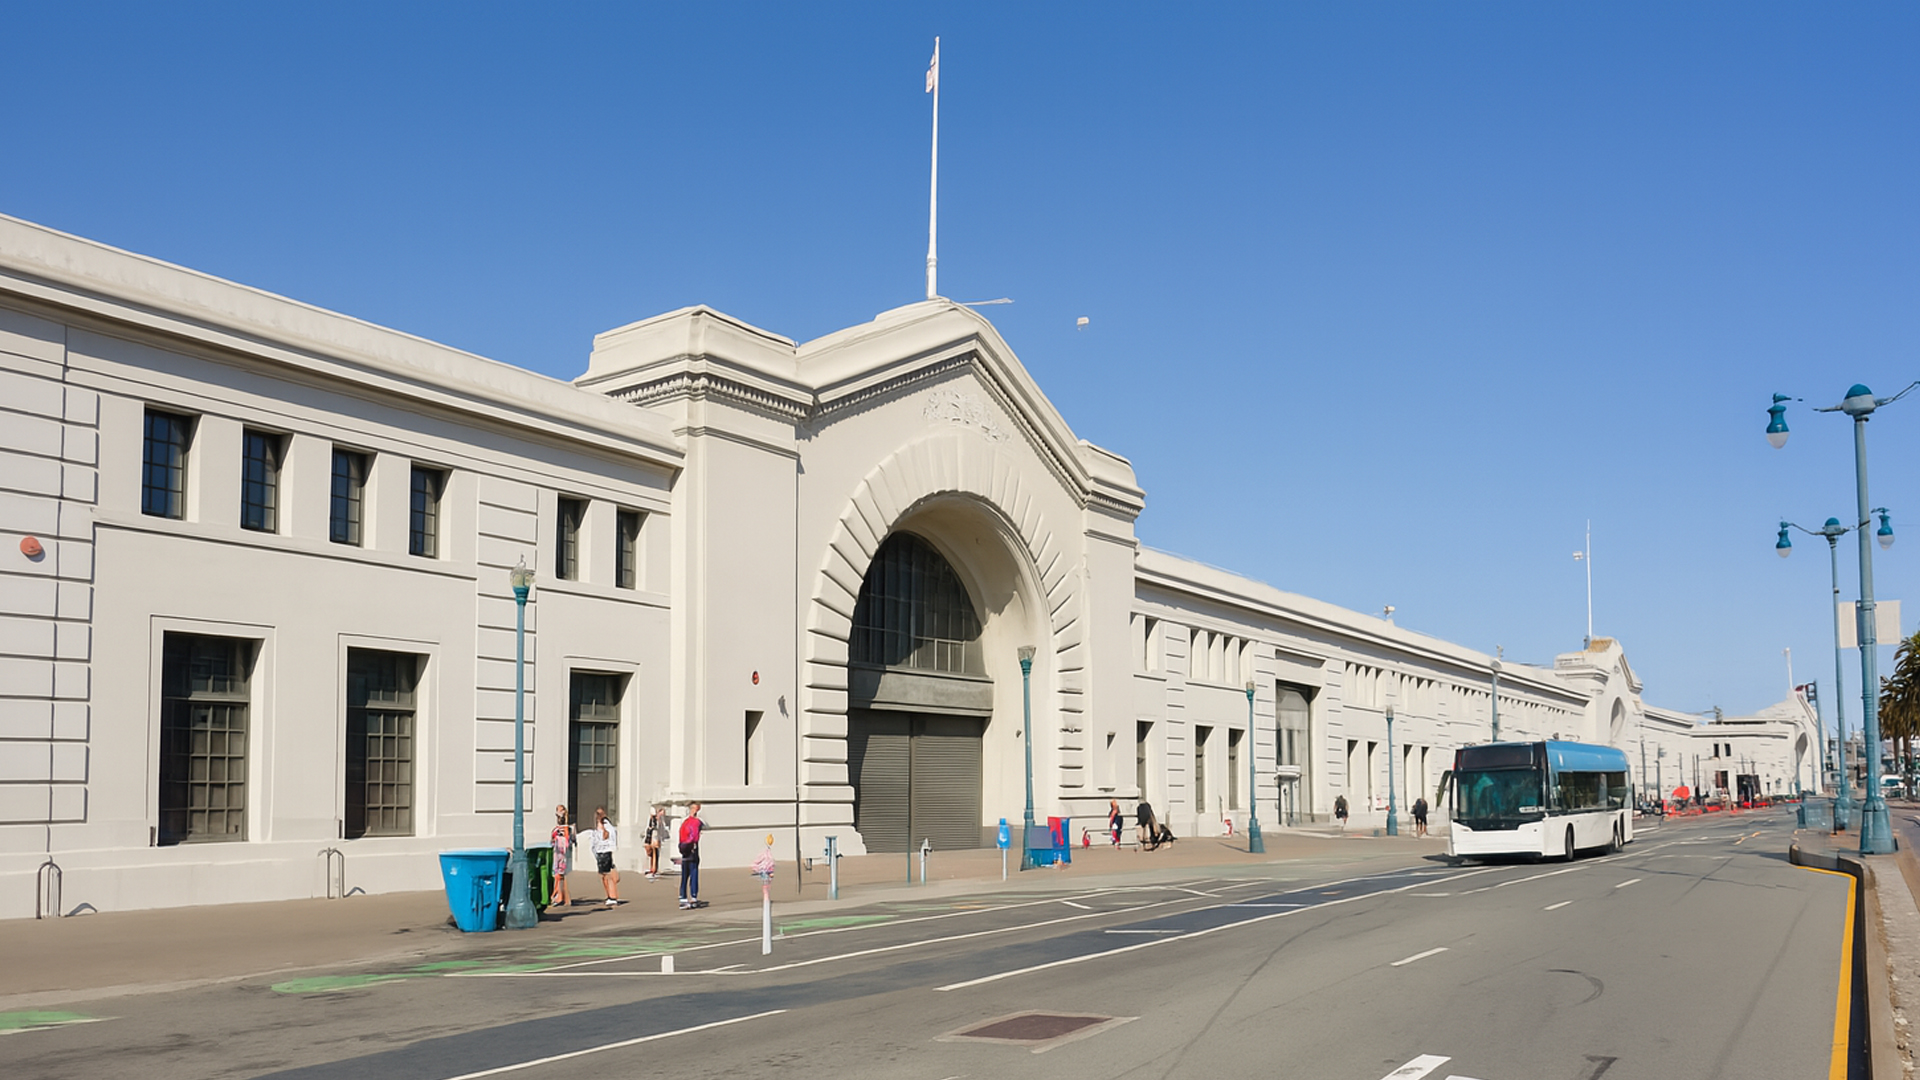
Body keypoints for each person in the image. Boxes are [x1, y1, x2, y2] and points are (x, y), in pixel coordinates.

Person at [590, 806, 621, 907]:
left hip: (606, 852)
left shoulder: (607, 825)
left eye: (600, 814)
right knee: (603, 875)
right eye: (597, 814)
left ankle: (613, 897)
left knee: (608, 875)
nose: (598, 816)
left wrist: (602, 826)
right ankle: (608, 895)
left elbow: (606, 836)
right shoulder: (596, 827)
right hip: (599, 852)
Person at [678, 801, 705, 909]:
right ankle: (693, 896)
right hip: (692, 849)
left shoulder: (684, 822)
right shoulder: (696, 822)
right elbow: (694, 836)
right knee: (694, 873)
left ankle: (683, 896)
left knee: (684, 875)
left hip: (684, 849)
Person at [549, 805, 574, 908]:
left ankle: (557, 896)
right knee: (557, 875)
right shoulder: (556, 828)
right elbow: (552, 839)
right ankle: (560, 896)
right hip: (557, 853)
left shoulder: (567, 828)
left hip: (563, 854)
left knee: (560, 875)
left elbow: (568, 841)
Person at [644, 805, 665, 880]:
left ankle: (653, 869)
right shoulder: (651, 819)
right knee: (650, 853)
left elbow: (659, 829)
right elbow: (649, 828)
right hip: (651, 837)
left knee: (655, 853)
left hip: (654, 837)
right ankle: (651, 868)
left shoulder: (658, 820)